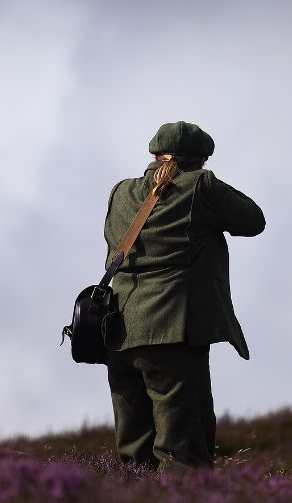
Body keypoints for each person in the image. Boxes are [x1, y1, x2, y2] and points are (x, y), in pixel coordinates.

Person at [102, 121, 265, 473]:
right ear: (200, 161)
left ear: (153, 156)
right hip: (170, 333)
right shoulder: (200, 187)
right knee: (183, 458)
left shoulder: (120, 192)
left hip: (119, 335)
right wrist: (207, 182)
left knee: (133, 461)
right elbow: (254, 220)